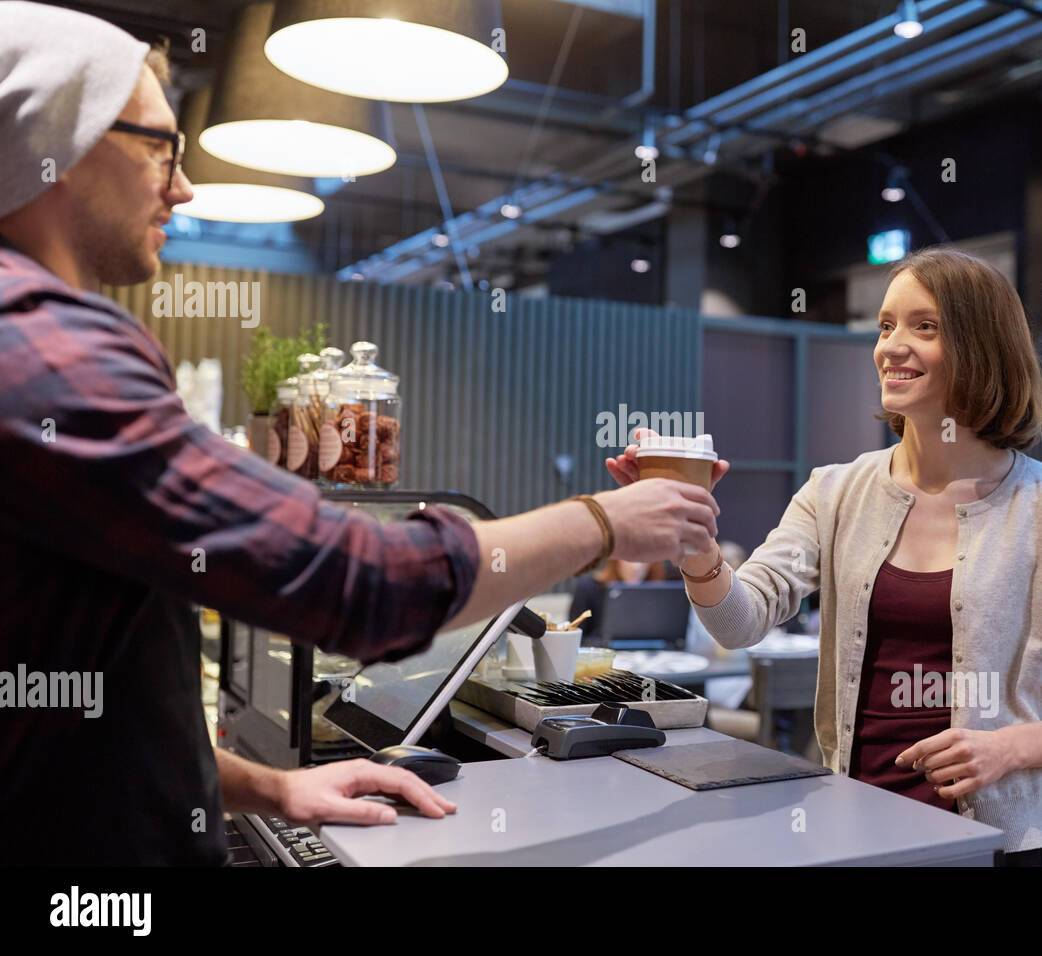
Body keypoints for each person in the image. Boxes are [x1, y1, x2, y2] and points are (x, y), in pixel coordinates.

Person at [0, 2, 719, 865]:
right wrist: (604, 521)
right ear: (57, 138)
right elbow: (359, 582)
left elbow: (92, 702)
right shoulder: (47, 348)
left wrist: (269, 786)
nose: (183, 186)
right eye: (161, 145)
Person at [608, 248, 1042, 867]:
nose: (892, 346)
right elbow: (740, 622)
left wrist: (1011, 749)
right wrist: (695, 541)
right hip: (857, 830)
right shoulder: (835, 491)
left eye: (925, 327)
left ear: (983, 347)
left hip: (1000, 846)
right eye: (886, 325)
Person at [568, 558, 674, 641]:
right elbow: (575, 637)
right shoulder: (589, 588)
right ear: (615, 559)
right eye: (630, 559)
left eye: (643, 560)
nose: (636, 567)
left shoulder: (664, 591)